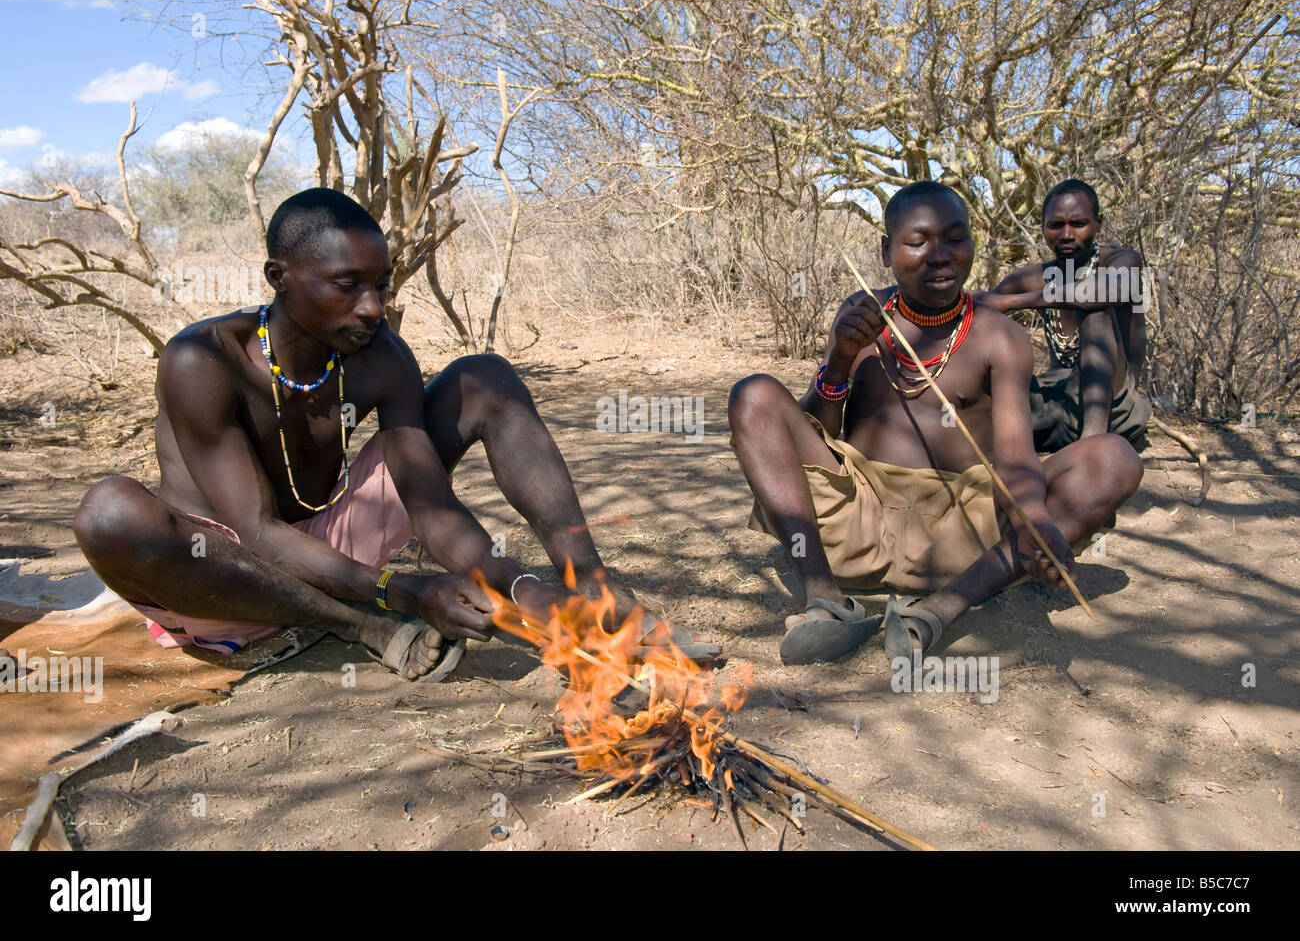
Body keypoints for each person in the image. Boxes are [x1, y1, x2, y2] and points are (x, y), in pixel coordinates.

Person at [73, 188, 709, 681]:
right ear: (280, 277)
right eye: (347, 286)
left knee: (482, 377)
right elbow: (260, 532)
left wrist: (517, 587)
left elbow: (429, 502)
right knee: (110, 512)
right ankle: (362, 626)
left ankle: (593, 588)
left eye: (381, 284)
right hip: (230, 577)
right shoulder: (202, 361)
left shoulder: (380, 355)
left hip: (330, 547)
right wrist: (404, 590)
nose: (373, 306)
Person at [727, 181, 1143, 666]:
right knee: (753, 395)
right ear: (886, 251)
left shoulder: (1001, 338)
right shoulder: (863, 315)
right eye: (918, 241)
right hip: (854, 519)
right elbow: (822, 434)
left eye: (955, 238)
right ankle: (826, 600)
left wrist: (1038, 521)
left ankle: (939, 611)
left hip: (962, 533)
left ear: (972, 244)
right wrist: (838, 362)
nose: (939, 255)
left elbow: (1014, 456)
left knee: (1115, 459)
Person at [976, 179, 1151, 452]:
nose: (1066, 234)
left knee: (1095, 314)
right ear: (1043, 227)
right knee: (982, 329)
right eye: (1056, 225)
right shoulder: (1034, 276)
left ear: (1098, 224)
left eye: (1078, 224)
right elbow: (981, 307)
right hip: (1054, 402)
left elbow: (1097, 295)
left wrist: (1013, 301)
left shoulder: (1122, 260)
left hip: (1117, 406)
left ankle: (1091, 446)